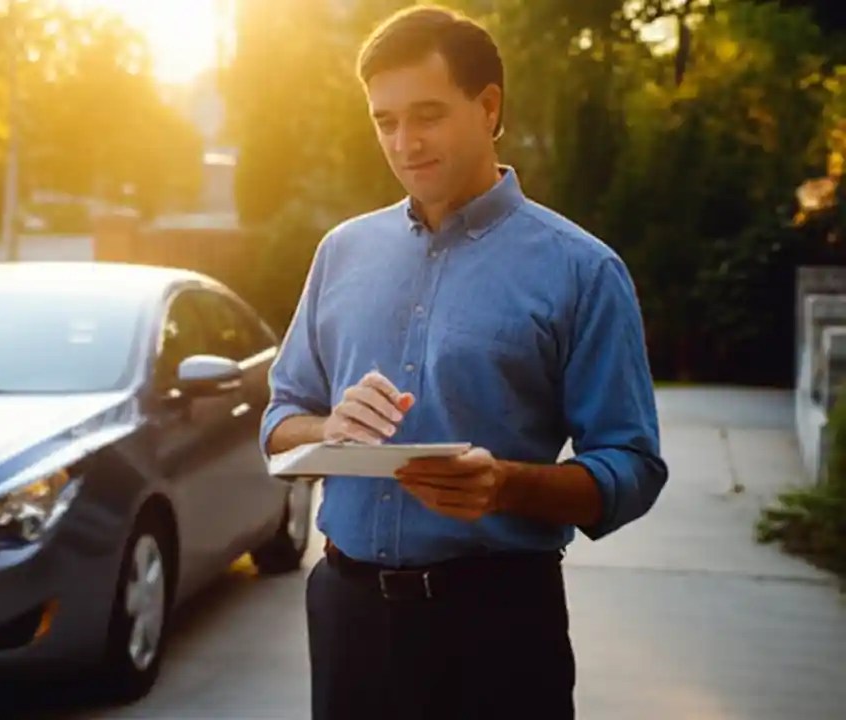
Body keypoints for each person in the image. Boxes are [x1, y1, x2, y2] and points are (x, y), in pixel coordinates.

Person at [259, 5, 669, 719]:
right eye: (384, 120)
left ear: (488, 107)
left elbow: (632, 468)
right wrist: (329, 429)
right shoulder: (341, 253)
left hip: (499, 629)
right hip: (348, 616)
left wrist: (505, 485)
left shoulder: (582, 270)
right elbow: (278, 424)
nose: (404, 143)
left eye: (427, 115)